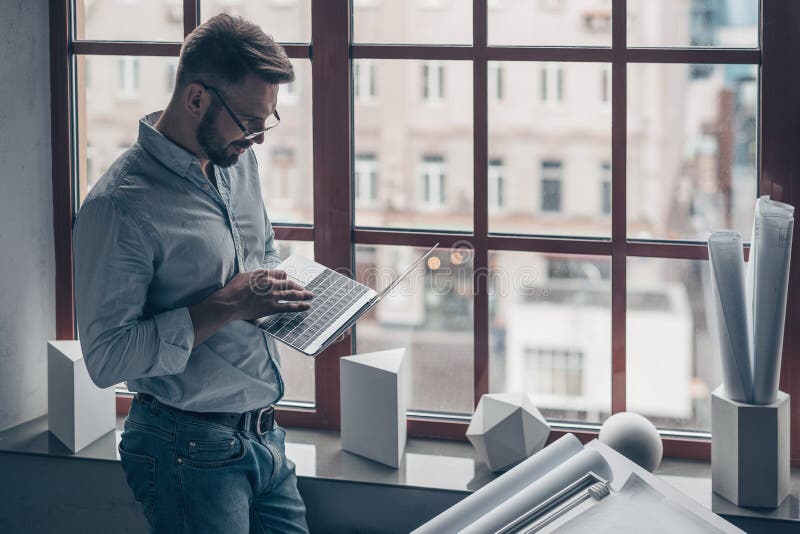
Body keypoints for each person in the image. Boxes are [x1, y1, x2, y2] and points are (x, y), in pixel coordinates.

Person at [73, 14, 314, 533]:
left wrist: (279, 291)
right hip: (185, 450)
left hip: (266, 439)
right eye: (249, 121)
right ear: (197, 99)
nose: (257, 139)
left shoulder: (234, 159)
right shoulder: (120, 207)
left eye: (265, 122)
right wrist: (227, 305)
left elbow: (261, 251)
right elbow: (105, 356)